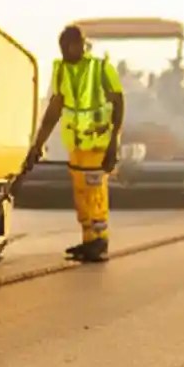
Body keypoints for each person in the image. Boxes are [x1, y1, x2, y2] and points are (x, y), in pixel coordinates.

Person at [24, 24, 126, 262]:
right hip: (77, 144)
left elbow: (119, 103)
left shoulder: (101, 68)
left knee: (94, 193)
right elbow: (54, 110)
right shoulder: (60, 71)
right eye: (68, 45)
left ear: (83, 45)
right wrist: (37, 144)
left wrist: (114, 143)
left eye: (77, 44)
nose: (73, 49)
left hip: (98, 144)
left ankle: (100, 241)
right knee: (81, 194)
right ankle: (89, 240)